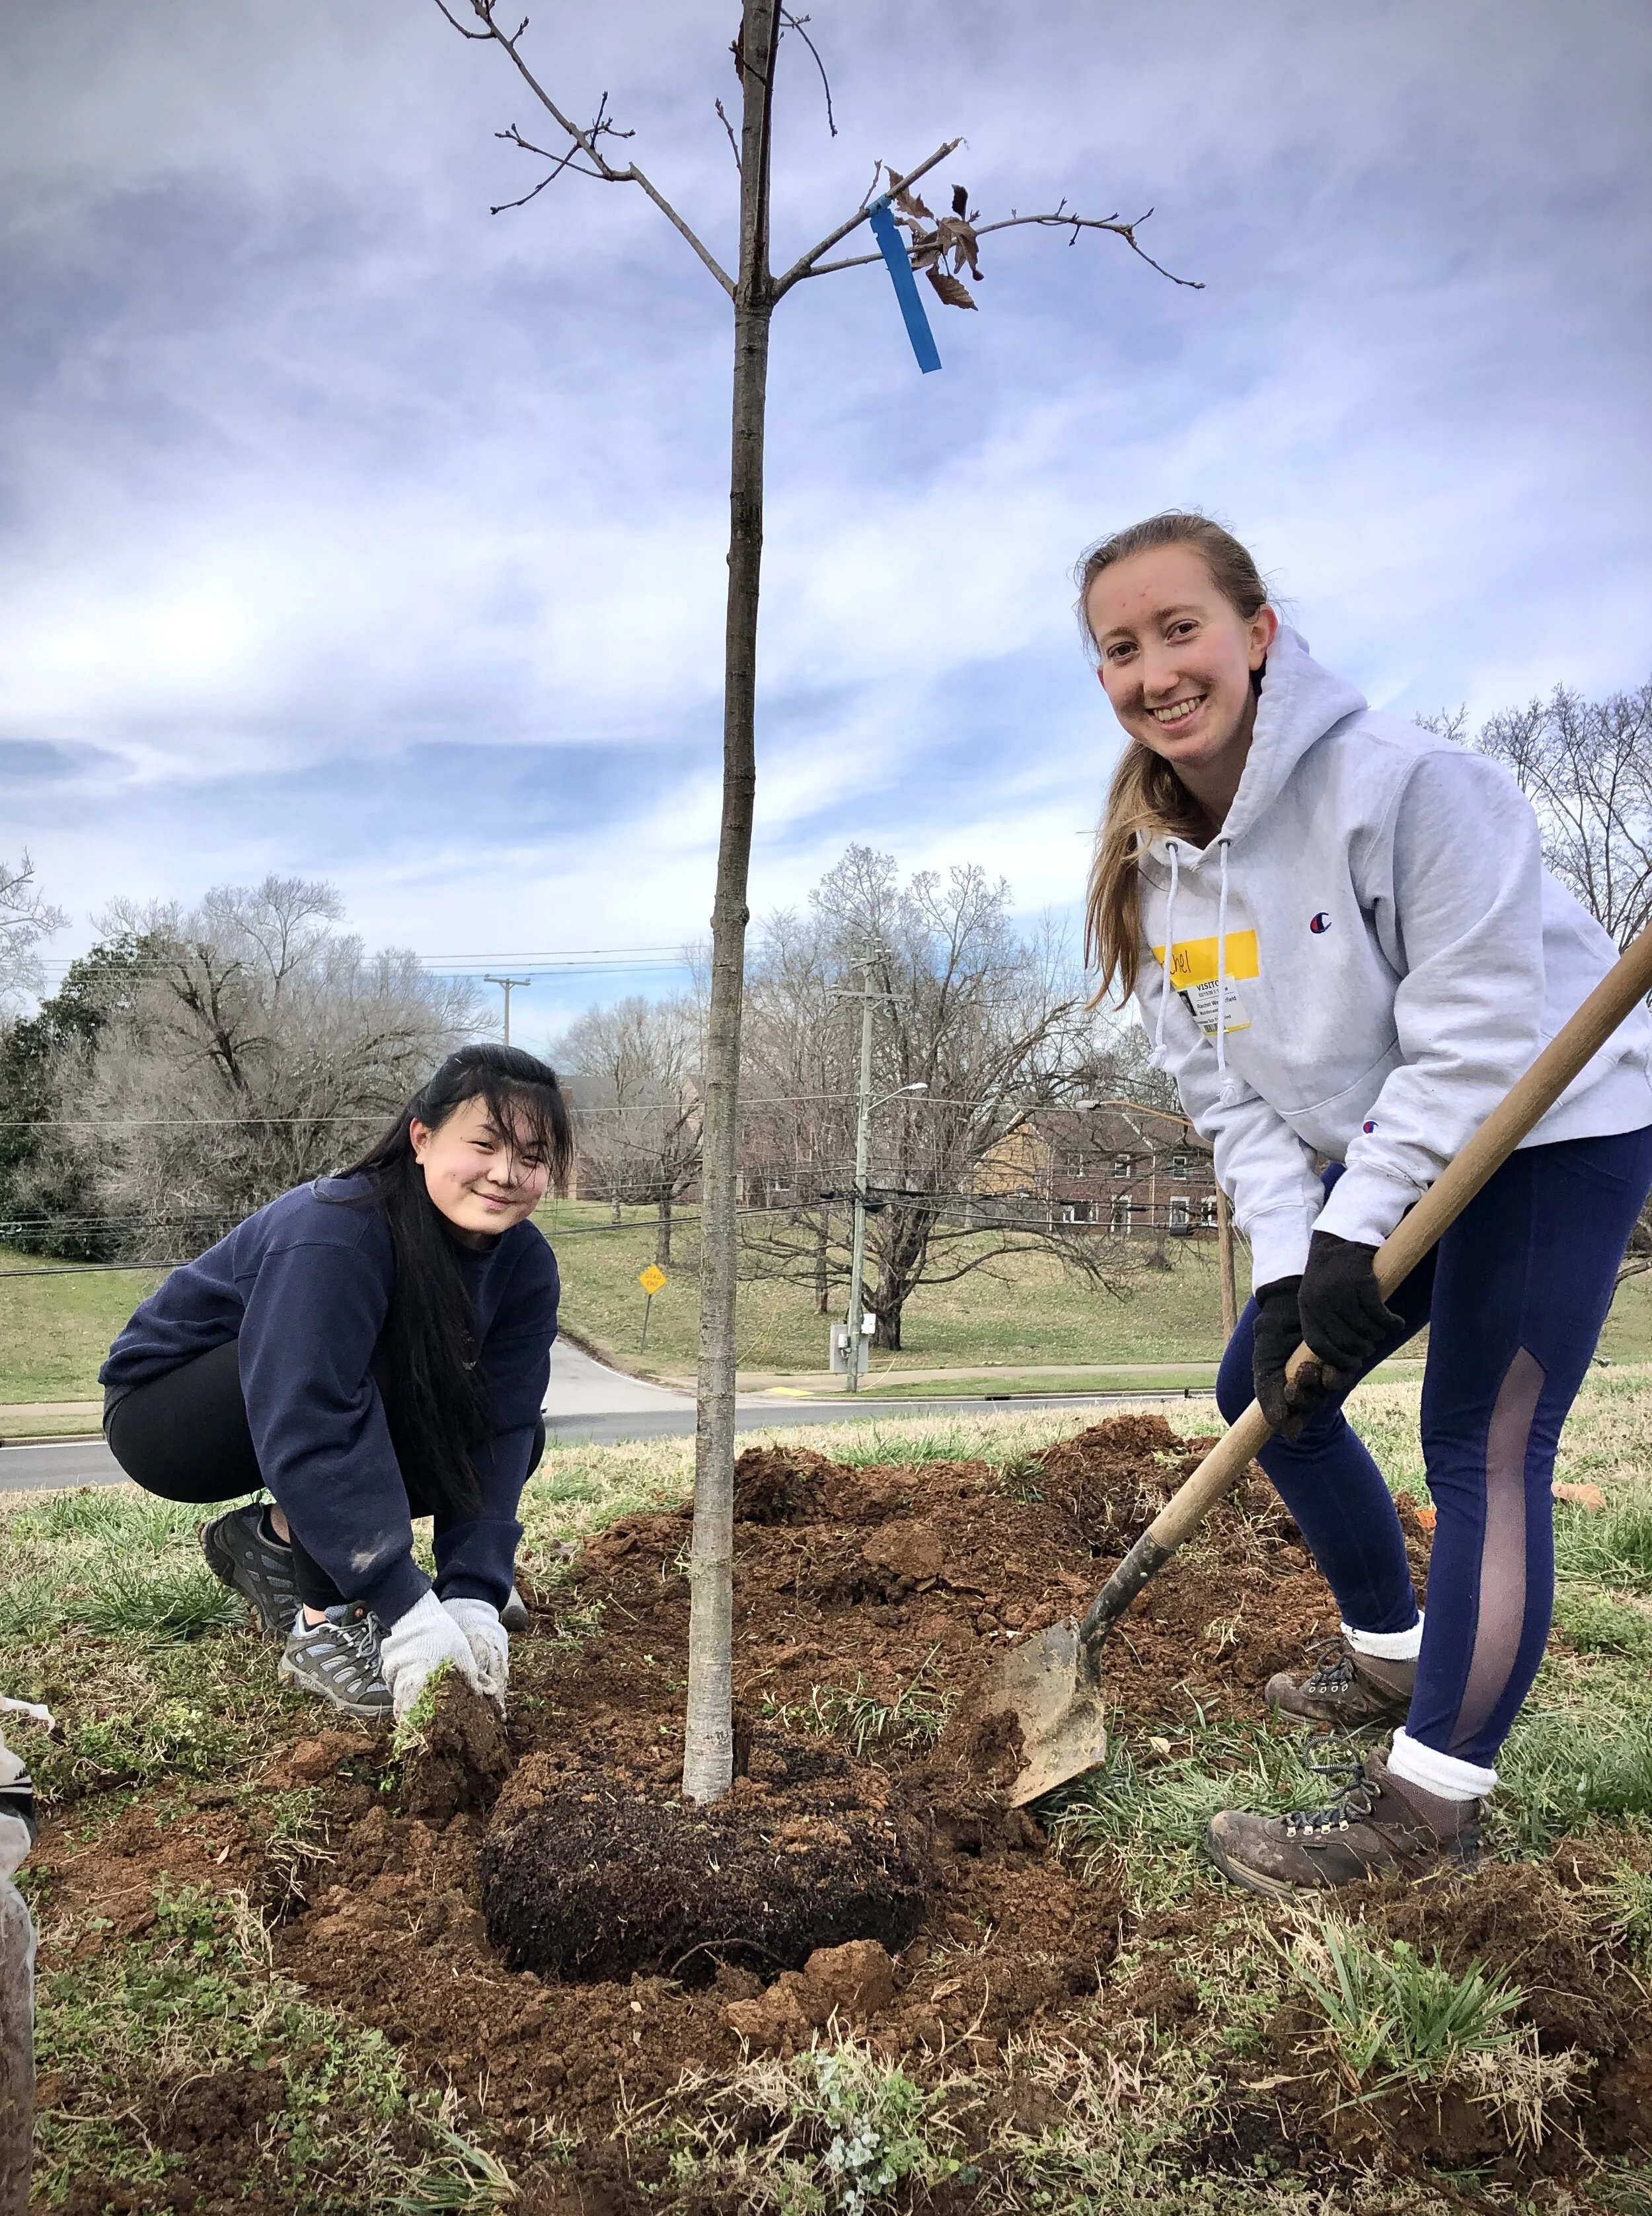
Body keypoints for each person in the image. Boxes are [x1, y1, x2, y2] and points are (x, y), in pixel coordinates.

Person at [1080, 511, 1652, 1893]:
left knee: (1481, 1438)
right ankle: (1393, 1653)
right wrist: (1297, 1260)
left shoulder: (1406, 784)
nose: (1155, 669)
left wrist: (1359, 1221)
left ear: (1255, 634)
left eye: (1180, 629)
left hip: (1550, 1120)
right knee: (1266, 1384)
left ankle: (1428, 1807)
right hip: (1385, 1147)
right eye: (1119, 647)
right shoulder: (1155, 879)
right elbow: (1235, 1104)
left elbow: (1473, 1032)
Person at [99, 1044, 571, 1722]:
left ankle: (276, 1539)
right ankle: (325, 1621)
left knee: (518, 1435)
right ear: (421, 1137)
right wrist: (403, 1605)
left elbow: (499, 1426)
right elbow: (313, 1413)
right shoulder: (338, 1229)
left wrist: (473, 1591)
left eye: (531, 1156)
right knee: (376, 1361)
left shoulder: (525, 1263)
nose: (506, 1173)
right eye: (486, 1143)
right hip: (171, 1413)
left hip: (304, 1401)